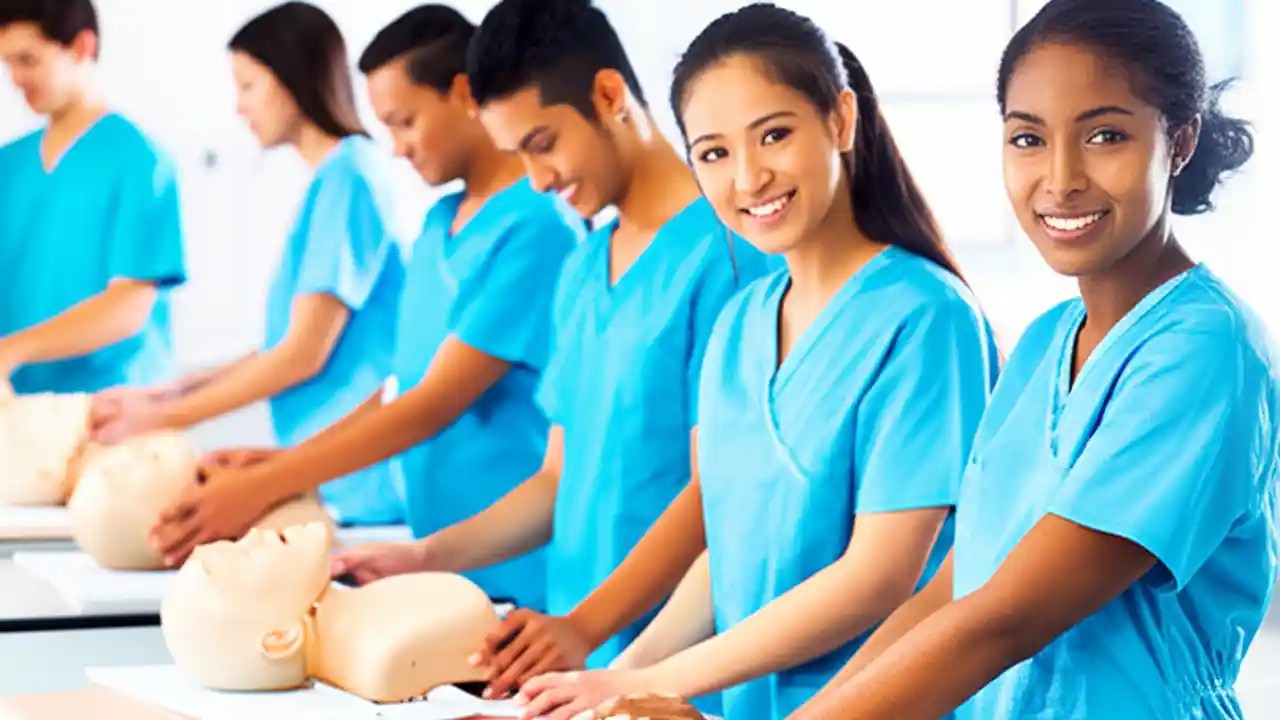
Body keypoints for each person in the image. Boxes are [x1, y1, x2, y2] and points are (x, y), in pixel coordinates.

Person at [785, 1, 1275, 718]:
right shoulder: (1046, 341)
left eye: (1105, 135)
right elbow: (961, 586)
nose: (1061, 177)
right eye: (1028, 139)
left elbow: (1007, 620)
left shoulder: (1206, 351)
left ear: (1180, 141)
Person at [513, 5, 997, 719]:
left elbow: (880, 574)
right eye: (712, 153)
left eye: (774, 135)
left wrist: (664, 681)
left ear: (839, 120)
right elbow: (724, 548)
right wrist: (618, 676)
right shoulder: (740, 323)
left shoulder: (926, 316)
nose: (748, 178)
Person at [329, 0, 774, 685]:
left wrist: (587, 626)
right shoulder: (583, 268)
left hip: (676, 664)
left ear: (608, 95)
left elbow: (715, 495)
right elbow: (555, 482)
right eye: (517, 156)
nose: (538, 180)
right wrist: (424, 557)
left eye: (543, 144)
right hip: (574, 656)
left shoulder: (730, 259)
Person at [144, 6, 584, 607]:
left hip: (519, 572)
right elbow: (404, 385)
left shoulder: (537, 229)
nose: (397, 150)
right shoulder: (437, 226)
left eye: (405, 122)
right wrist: (283, 460)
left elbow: (432, 405)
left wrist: (268, 483)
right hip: (438, 564)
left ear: (462, 94)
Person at [91, 1, 407, 537]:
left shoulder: (350, 178)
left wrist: (165, 419)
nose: (239, 107)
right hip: (331, 476)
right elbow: (284, 342)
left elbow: (302, 354)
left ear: (292, 78)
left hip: (360, 479)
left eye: (248, 85)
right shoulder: (331, 182)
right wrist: (174, 392)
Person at [0, 0, 185, 398]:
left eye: (28, 60)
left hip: (113, 407)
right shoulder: (8, 165)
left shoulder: (140, 161)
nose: (15, 78)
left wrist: (13, 349)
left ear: (82, 47)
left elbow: (127, 307)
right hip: (19, 406)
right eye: (7, 63)